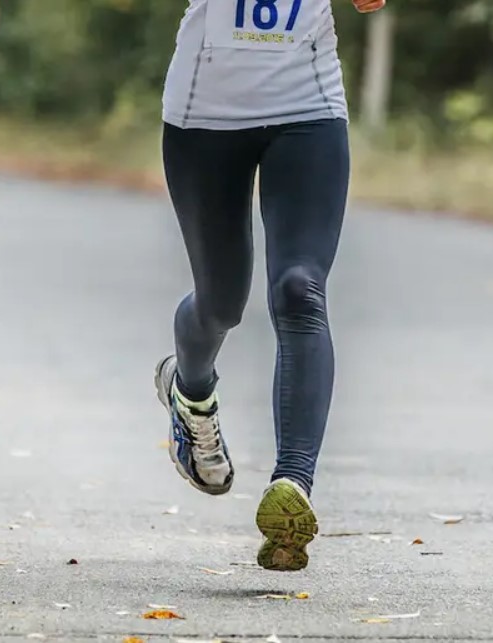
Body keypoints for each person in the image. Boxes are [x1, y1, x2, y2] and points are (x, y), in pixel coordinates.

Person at [152, 0, 387, 571]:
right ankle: (191, 392)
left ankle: (293, 486)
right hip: (204, 114)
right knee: (221, 301)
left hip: (306, 108)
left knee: (299, 288)